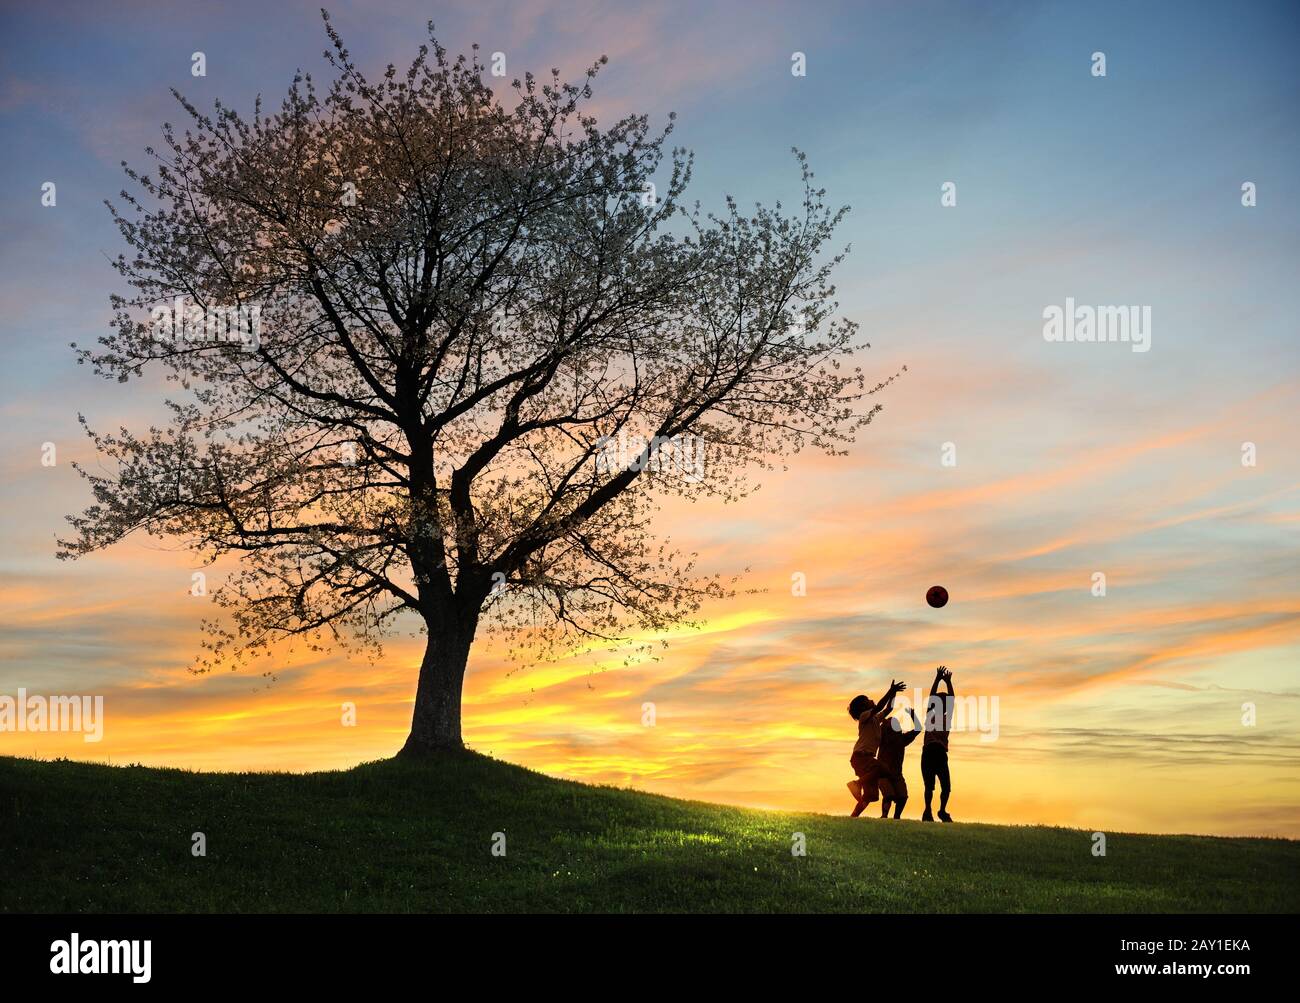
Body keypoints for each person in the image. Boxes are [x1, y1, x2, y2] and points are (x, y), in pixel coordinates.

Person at [846, 679, 906, 817]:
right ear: (863, 707)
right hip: (861, 757)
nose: (871, 700)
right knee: (884, 769)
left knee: (871, 796)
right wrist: (890, 691)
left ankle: (853, 817)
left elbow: (888, 709)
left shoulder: (874, 719)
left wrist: (894, 693)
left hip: (865, 759)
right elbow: (879, 707)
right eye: (868, 700)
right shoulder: (864, 716)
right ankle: (856, 783)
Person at [921, 665, 954, 822]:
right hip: (929, 752)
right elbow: (932, 695)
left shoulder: (947, 717)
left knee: (946, 787)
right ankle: (928, 810)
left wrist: (947, 681)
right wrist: (938, 679)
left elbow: (952, 699)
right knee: (929, 786)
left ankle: (941, 811)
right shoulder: (930, 713)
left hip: (940, 753)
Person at [877, 706, 922, 818]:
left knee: (903, 796)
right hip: (882, 773)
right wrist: (883, 719)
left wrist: (912, 714)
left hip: (897, 774)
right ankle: (884, 816)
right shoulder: (882, 738)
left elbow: (918, 728)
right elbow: (877, 726)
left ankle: (896, 817)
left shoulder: (901, 739)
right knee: (888, 795)